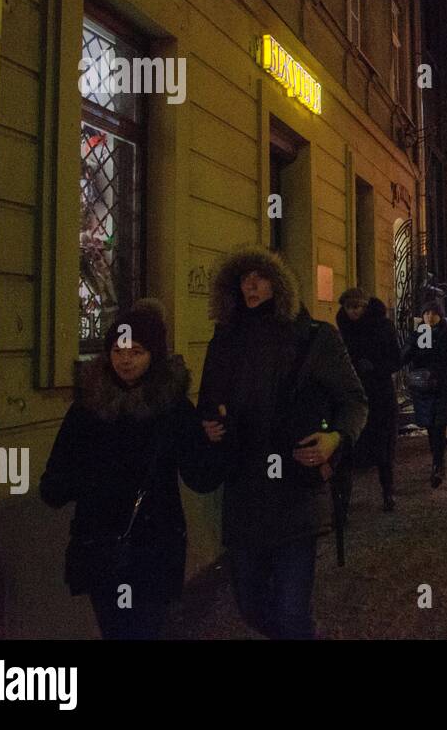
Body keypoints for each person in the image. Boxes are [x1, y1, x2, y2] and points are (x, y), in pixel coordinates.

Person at [198, 247, 366, 640]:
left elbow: (353, 400)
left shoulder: (314, 337)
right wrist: (209, 424)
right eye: (243, 278)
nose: (251, 285)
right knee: (251, 604)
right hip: (244, 493)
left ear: (279, 284)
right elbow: (208, 401)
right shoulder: (223, 340)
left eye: (260, 277)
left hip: (295, 495)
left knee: (292, 612)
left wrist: (335, 439)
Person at [40, 299, 222, 639]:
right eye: (118, 350)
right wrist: (90, 478)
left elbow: (201, 476)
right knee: (115, 630)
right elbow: (53, 485)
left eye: (136, 351)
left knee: (143, 630)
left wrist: (211, 441)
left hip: (154, 546)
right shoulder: (87, 409)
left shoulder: (173, 409)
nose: (125, 359)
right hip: (102, 545)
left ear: (153, 355)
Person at [336, 290, 402, 511]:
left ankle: (388, 491)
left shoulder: (382, 327)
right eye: (349, 307)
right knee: (349, 448)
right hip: (352, 396)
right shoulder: (341, 330)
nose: (353, 311)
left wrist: (375, 368)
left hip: (380, 394)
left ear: (365, 307)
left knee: (383, 447)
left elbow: (396, 359)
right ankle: (343, 502)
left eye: (358, 307)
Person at [402, 298, 447, 488]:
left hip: (443, 388)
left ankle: (438, 465)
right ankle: (437, 461)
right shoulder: (419, 334)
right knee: (430, 427)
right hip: (424, 390)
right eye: (426, 313)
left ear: (439, 315)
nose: (430, 317)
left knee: (438, 426)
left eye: (433, 313)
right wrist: (413, 342)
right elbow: (406, 357)